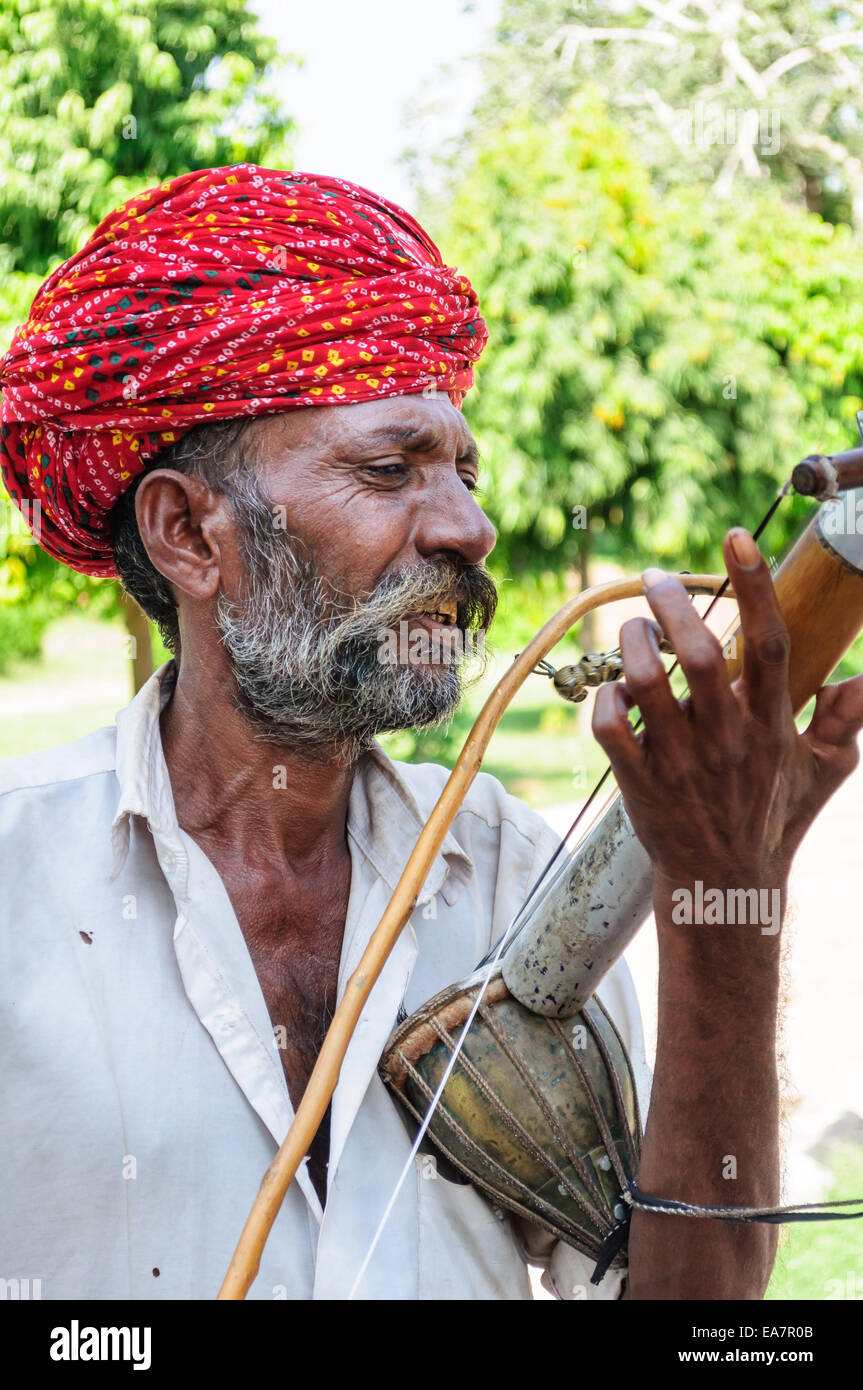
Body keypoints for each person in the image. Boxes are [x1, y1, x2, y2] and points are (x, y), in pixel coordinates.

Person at [1, 166, 861, 1302]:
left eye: (462, 468)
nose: (469, 526)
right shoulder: (18, 880)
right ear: (187, 536)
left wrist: (727, 896)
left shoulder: (513, 878)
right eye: (387, 468)